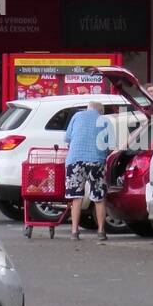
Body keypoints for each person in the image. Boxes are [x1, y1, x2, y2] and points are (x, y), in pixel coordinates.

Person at [64, 100, 111, 241]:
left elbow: (67, 138)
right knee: (99, 197)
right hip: (96, 161)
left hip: (75, 160)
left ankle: (74, 232)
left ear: (87, 108)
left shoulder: (77, 116)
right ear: (100, 111)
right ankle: (101, 231)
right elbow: (109, 144)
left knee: (76, 198)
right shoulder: (105, 120)